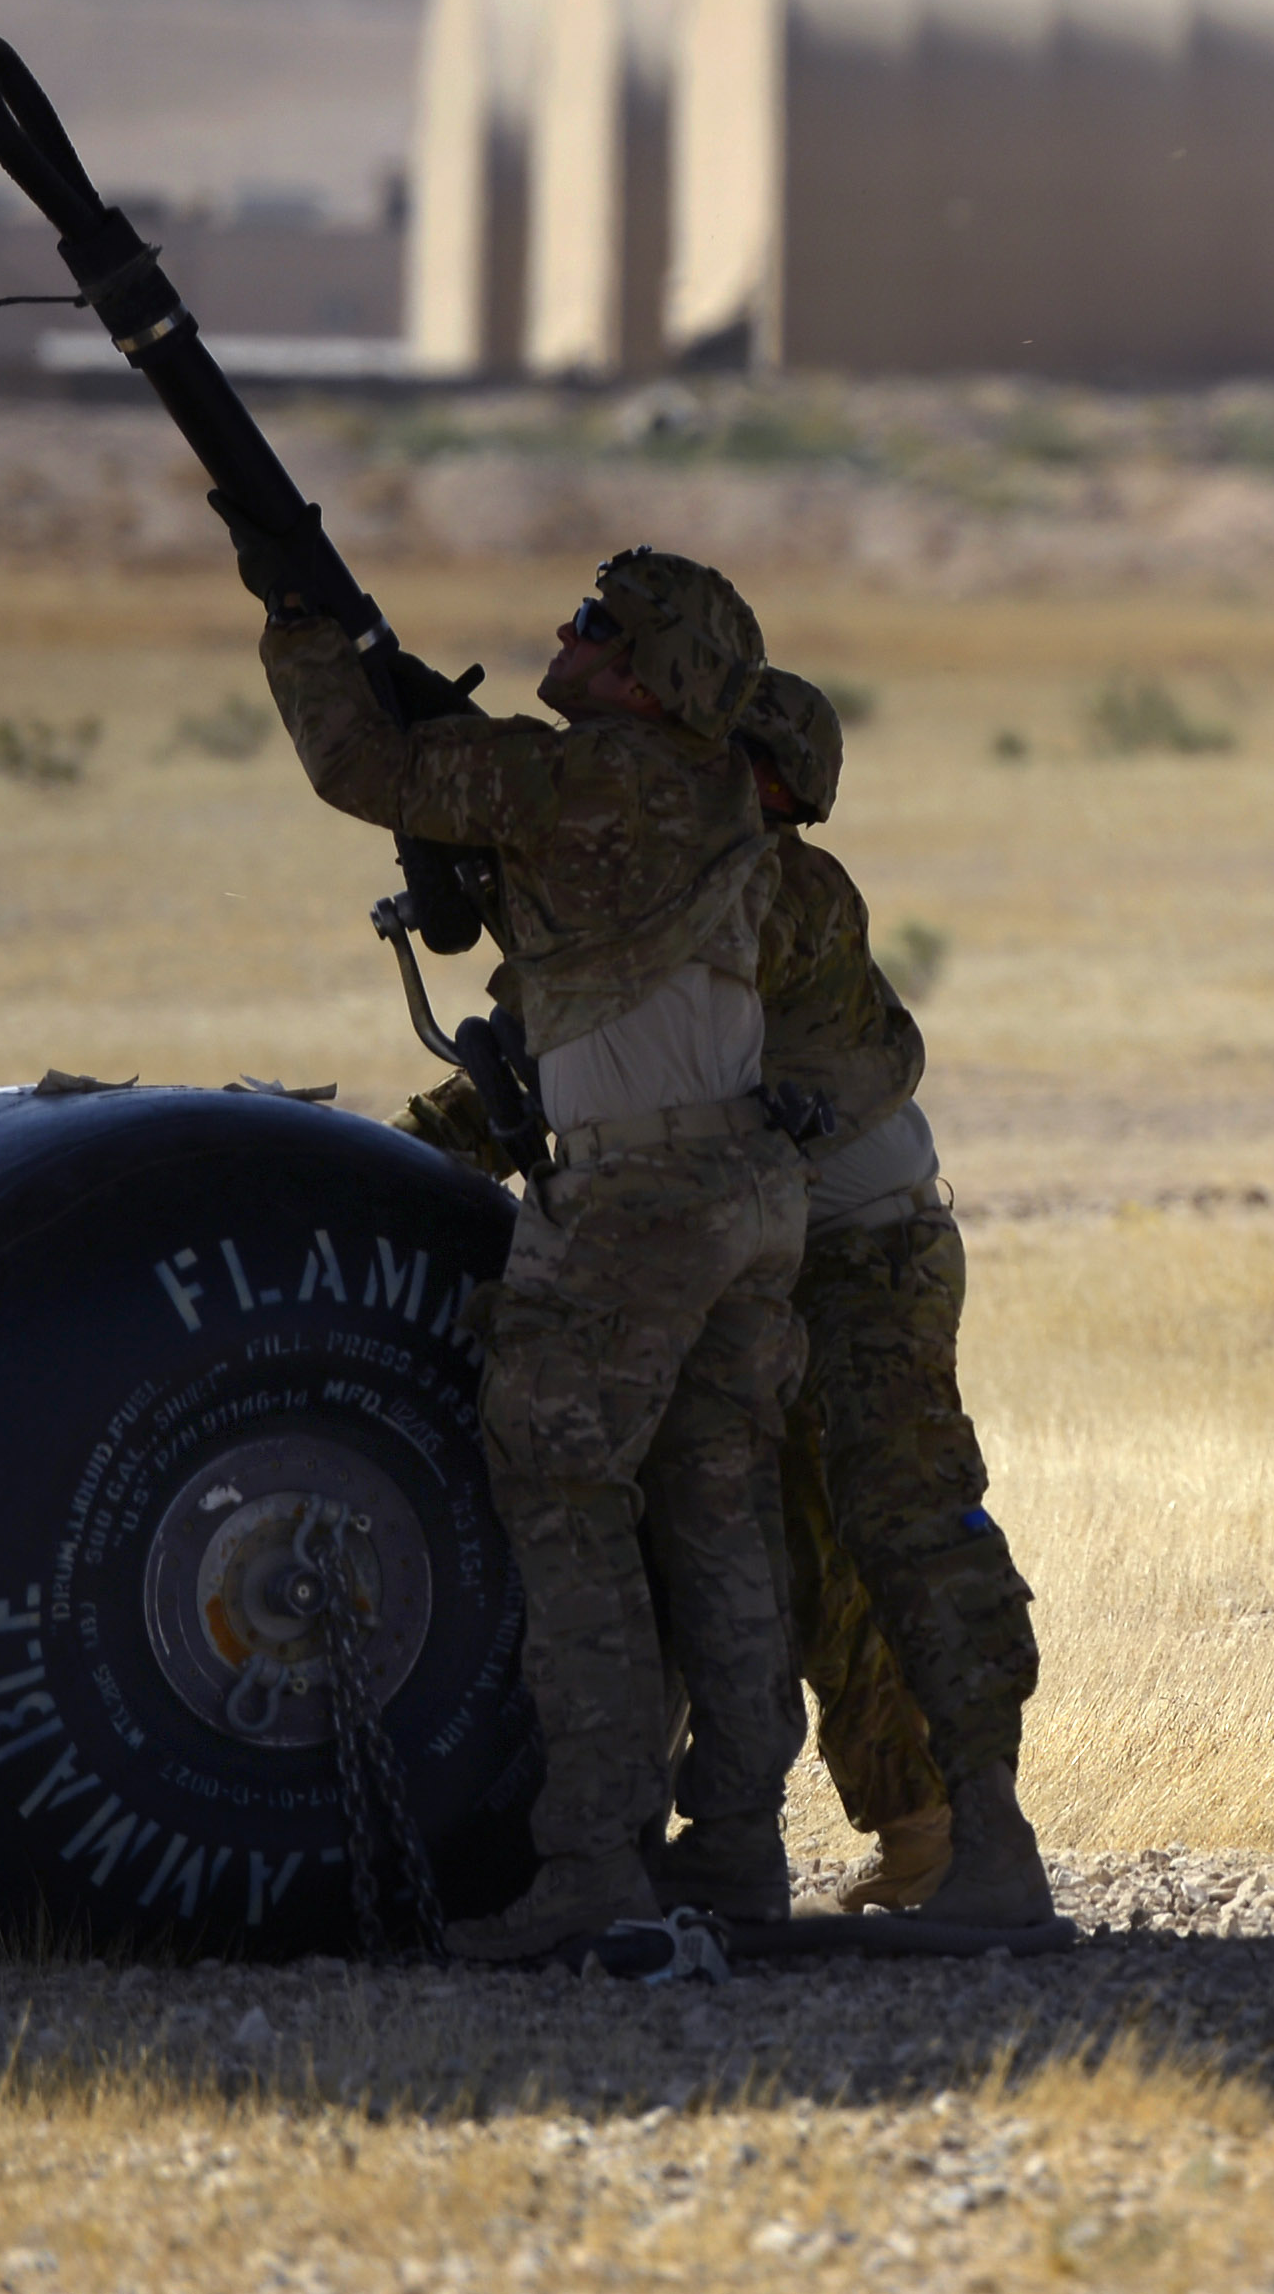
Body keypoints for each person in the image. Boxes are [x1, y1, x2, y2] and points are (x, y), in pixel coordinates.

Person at [246, 540, 812, 1957]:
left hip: (633, 1199)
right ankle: (738, 1854)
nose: (560, 634)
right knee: (720, 1510)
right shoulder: (698, 783)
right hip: (746, 1181)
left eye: (590, 624)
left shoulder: (583, 775)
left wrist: (308, 634)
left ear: (640, 668)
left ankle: (593, 1869)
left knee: (566, 1506)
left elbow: (360, 772)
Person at [732, 668, 1056, 1931]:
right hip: (785, 1254)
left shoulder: (786, 892)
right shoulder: (702, 884)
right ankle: (923, 1841)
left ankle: (991, 1837)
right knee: (821, 1568)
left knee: (910, 1528)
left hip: (870, 1253)